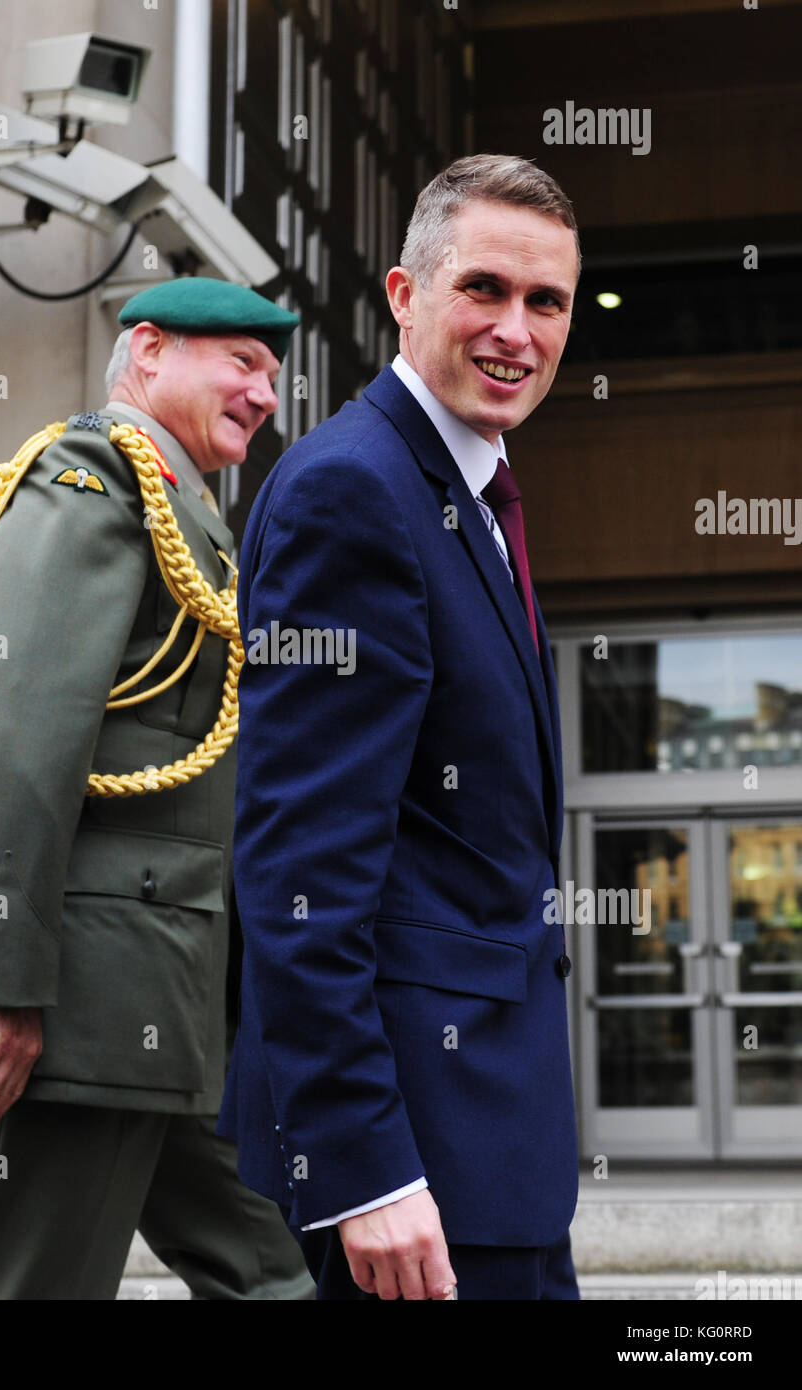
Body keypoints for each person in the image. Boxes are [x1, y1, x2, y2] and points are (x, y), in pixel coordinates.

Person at [0, 278, 314, 1301]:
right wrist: (5, 985)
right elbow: (9, 727)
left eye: (273, 374)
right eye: (242, 363)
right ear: (150, 351)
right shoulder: (88, 480)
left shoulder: (192, 516)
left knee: (279, 1279)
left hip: (165, 1005)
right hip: (69, 1005)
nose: (266, 394)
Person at [218, 154, 583, 1301]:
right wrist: (364, 1165)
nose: (514, 331)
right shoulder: (356, 491)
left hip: (486, 1139)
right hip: (415, 1156)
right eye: (483, 288)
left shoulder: (463, 494)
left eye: (546, 302)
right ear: (403, 294)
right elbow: (297, 864)